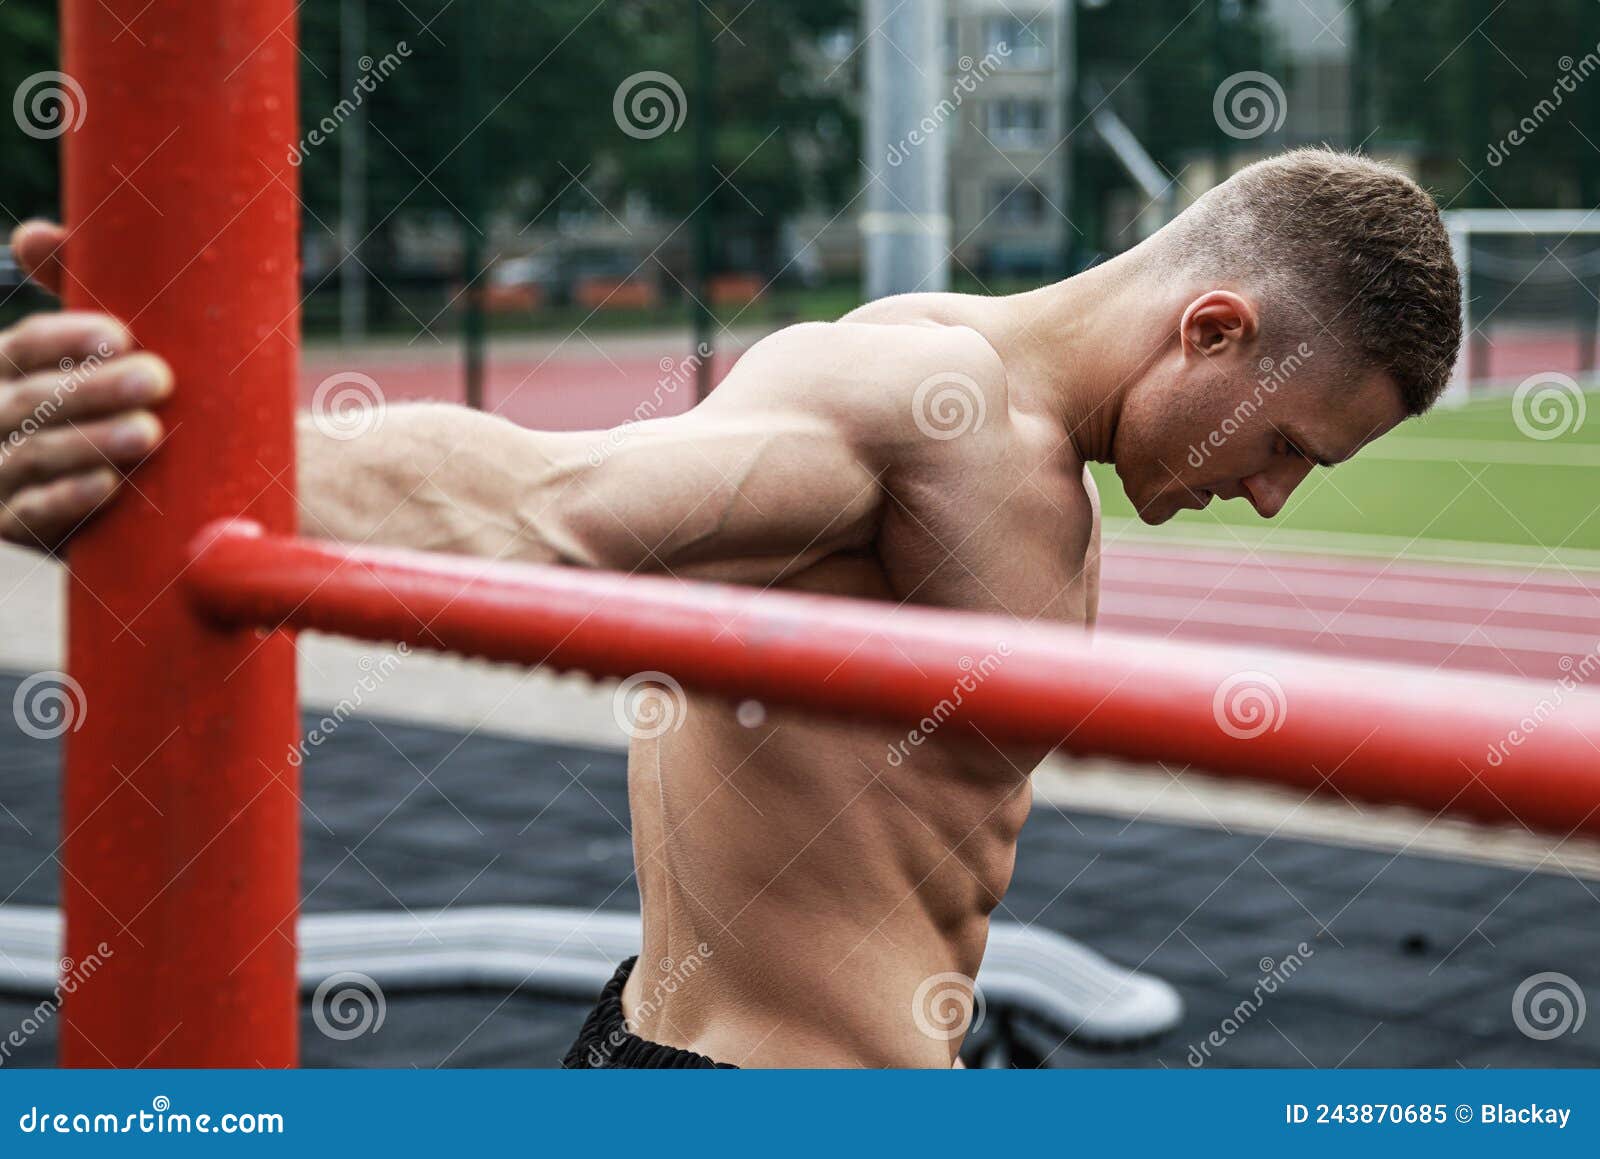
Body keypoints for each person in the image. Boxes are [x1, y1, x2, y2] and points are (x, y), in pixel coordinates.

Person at [0, 148, 1460, 1067]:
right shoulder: (927, 408)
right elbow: (542, 502)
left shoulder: (1028, 453)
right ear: (1215, 330)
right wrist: (173, 469)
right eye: (1286, 448)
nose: (1272, 496)